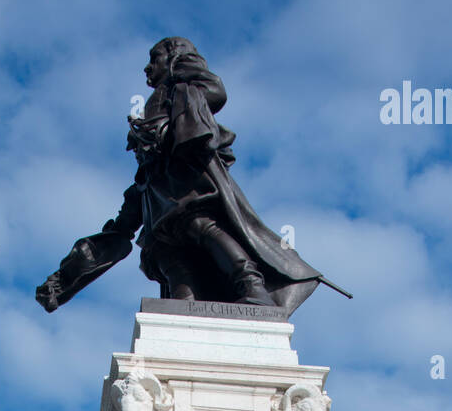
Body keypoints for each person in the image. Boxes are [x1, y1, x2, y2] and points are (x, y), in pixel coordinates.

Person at [37, 37, 351, 314]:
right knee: (165, 252)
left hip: (187, 189)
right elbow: (117, 235)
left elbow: (215, 92)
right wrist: (64, 279)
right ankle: (183, 308)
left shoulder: (181, 90)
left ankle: (252, 287)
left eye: (154, 60)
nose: (147, 69)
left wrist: (175, 111)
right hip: (159, 203)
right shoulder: (146, 180)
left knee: (199, 225)